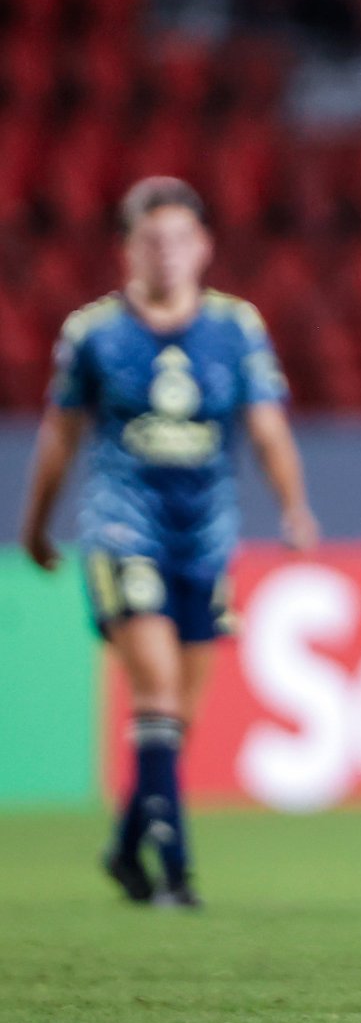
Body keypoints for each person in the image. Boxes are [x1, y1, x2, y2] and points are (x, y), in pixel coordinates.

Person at [17, 176, 319, 909]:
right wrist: (36, 522)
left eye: (180, 238)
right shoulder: (92, 333)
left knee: (177, 713)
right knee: (152, 689)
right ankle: (175, 871)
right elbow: (61, 435)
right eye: (152, 240)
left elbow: (267, 425)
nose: (167, 253)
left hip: (205, 538)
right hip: (122, 531)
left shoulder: (235, 327)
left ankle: (124, 848)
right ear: (127, 249)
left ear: (205, 246)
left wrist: (294, 508)